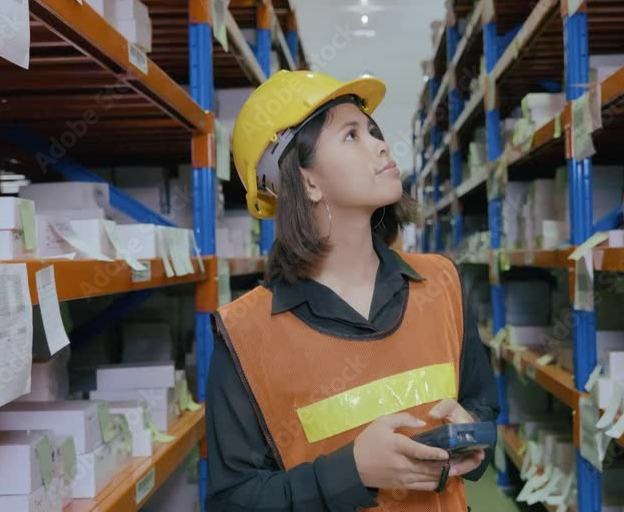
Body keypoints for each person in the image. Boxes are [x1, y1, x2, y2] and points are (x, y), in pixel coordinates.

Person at [205, 70, 499, 511]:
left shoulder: (440, 283)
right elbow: (232, 500)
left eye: (373, 131)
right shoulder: (247, 335)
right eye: (350, 135)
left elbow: (481, 403)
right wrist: (352, 472)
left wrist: (472, 433)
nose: (380, 144)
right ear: (307, 181)